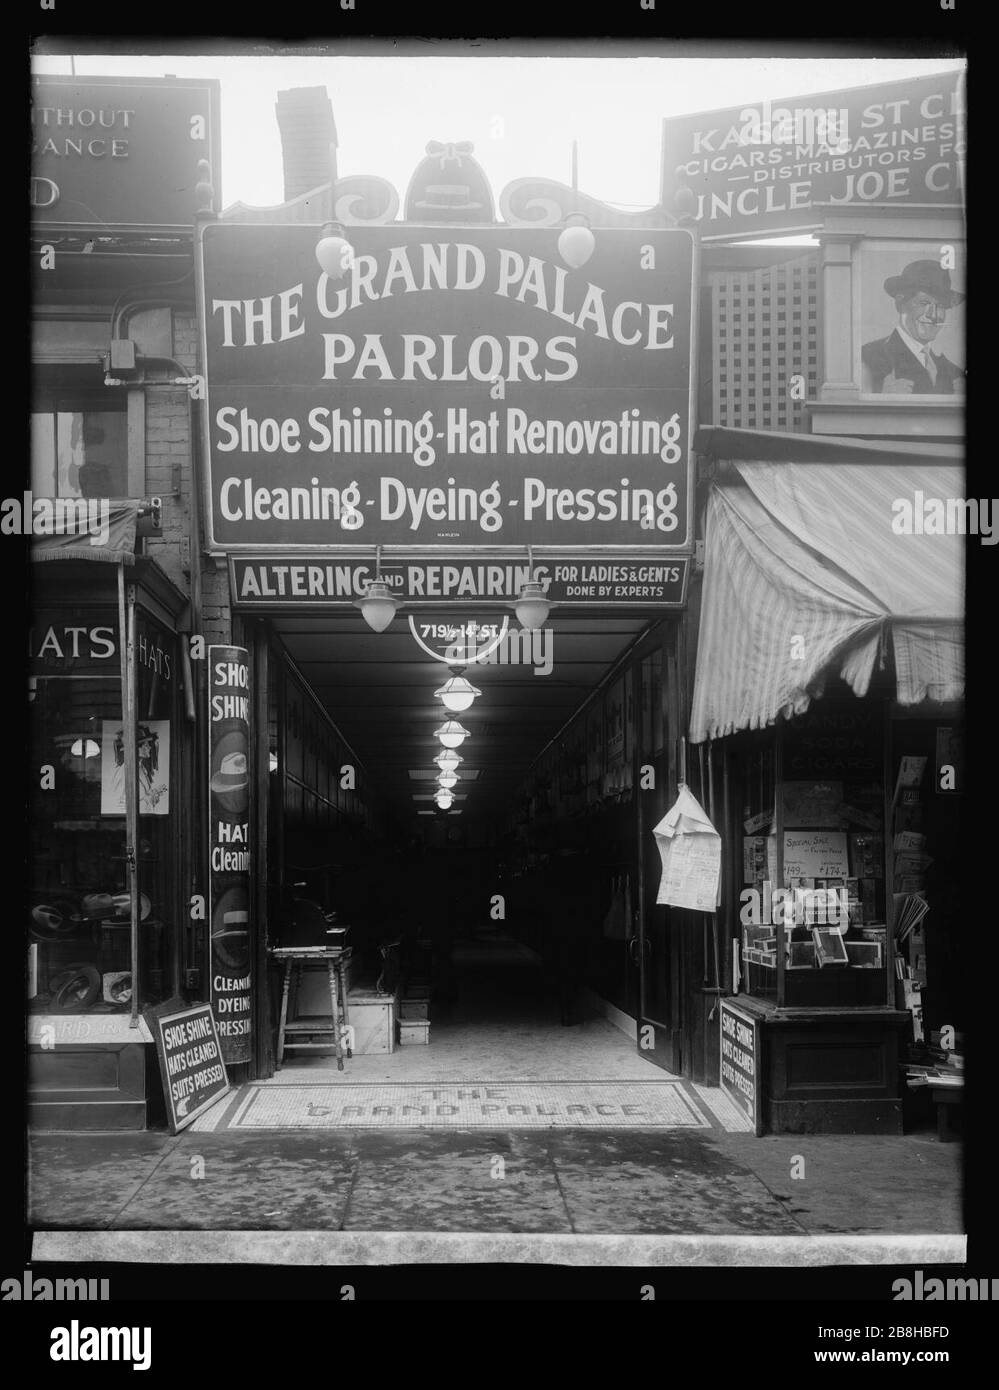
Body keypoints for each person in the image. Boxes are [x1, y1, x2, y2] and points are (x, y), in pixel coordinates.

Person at [861, 260, 964, 395]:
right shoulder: (868, 357)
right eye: (924, 303)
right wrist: (882, 397)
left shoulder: (953, 373)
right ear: (900, 304)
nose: (934, 315)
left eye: (940, 306)